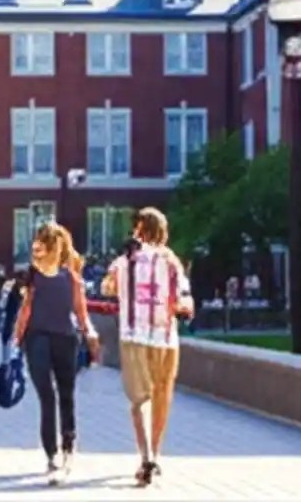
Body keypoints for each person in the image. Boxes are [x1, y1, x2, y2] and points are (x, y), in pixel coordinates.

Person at [101, 207, 195, 487]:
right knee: (162, 395)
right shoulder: (172, 261)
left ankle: (146, 456)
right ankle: (156, 452)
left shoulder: (124, 260)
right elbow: (184, 301)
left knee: (140, 400)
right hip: (166, 340)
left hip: (134, 337)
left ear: (139, 230)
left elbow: (107, 288)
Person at [13, 223, 100, 487]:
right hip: (36, 338)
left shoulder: (71, 278)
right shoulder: (32, 276)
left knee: (65, 394)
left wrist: (90, 333)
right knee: (46, 396)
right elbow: (25, 309)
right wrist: (16, 340)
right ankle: (51, 454)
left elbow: (81, 311)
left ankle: (68, 446)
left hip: (65, 339)